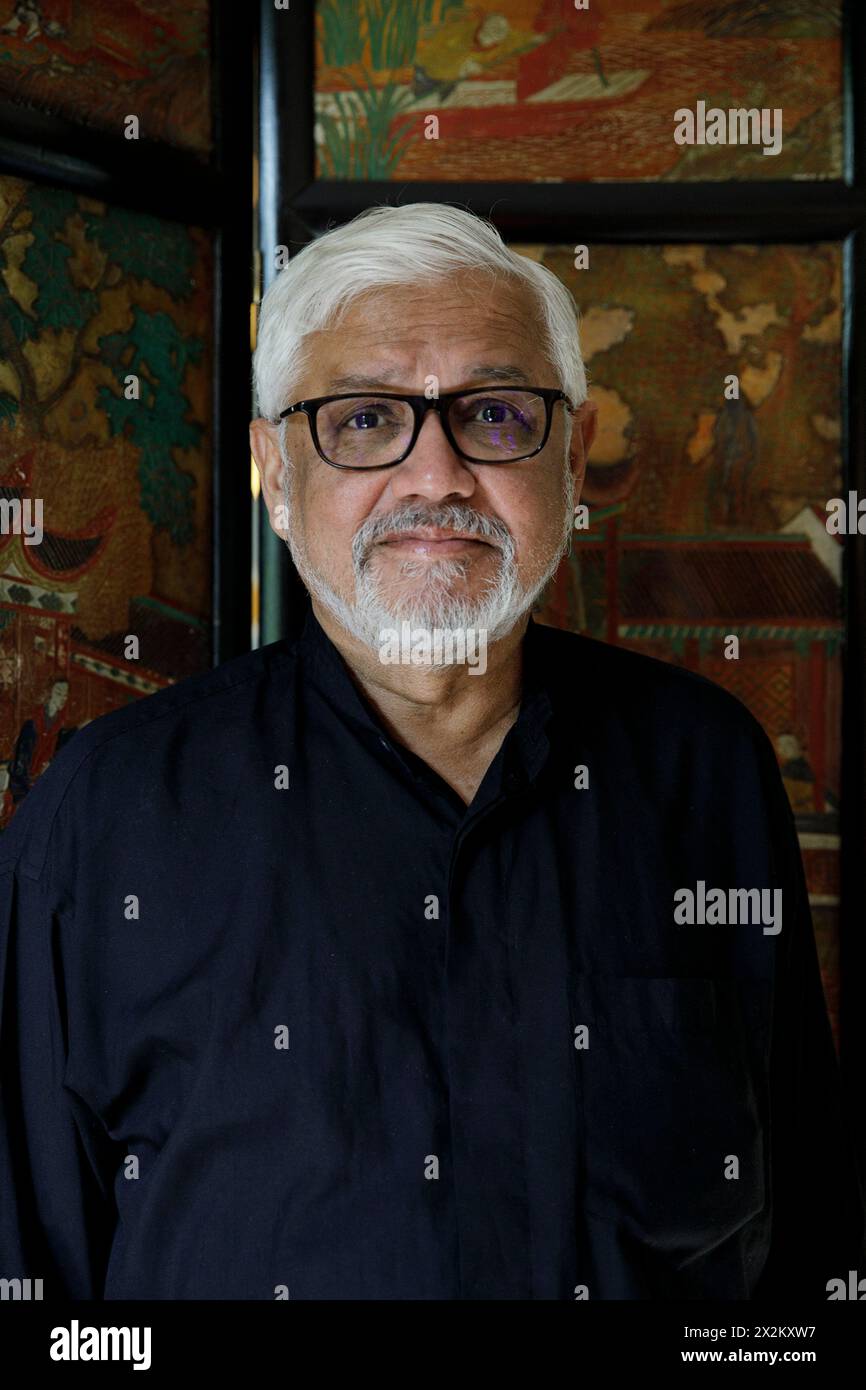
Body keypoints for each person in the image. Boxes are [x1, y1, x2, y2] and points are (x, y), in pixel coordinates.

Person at [0, 203, 862, 1300]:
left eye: (495, 414)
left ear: (572, 454)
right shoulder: (107, 816)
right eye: (363, 421)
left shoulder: (706, 772)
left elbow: (804, 1242)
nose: (437, 476)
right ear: (272, 469)